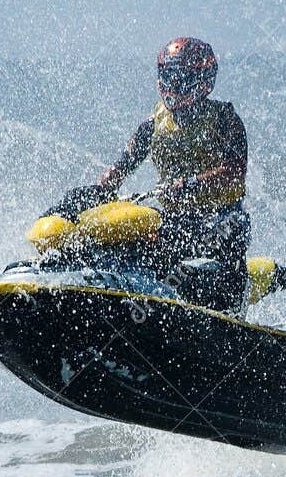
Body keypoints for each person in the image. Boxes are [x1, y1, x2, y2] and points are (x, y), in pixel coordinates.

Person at [48, 36, 250, 312]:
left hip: (221, 220)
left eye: (181, 78)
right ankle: (66, 274)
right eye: (168, 76)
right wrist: (99, 191)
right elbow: (121, 167)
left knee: (217, 239)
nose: (173, 84)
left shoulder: (225, 119)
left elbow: (234, 174)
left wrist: (191, 183)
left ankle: (226, 306)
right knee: (122, 232)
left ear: (202, 80)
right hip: (176, 219)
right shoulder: (155, 123)